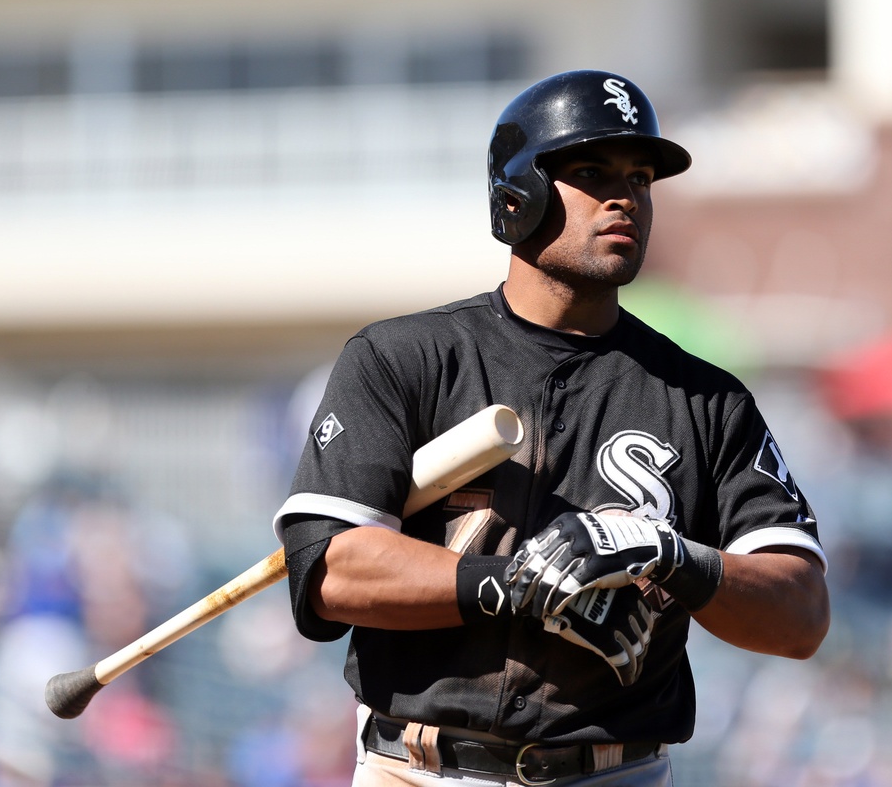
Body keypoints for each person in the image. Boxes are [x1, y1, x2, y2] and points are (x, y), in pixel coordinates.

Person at [273, 69, 829, 786]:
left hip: (615, 772)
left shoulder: (707, 399)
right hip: (420, 768)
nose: (624, 198)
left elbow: (801, 615)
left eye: (640, 178)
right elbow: (332, 571)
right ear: (517, 194)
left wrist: (674, 557)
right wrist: (521, 584)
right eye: (592, 173)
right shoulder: (403, 357)